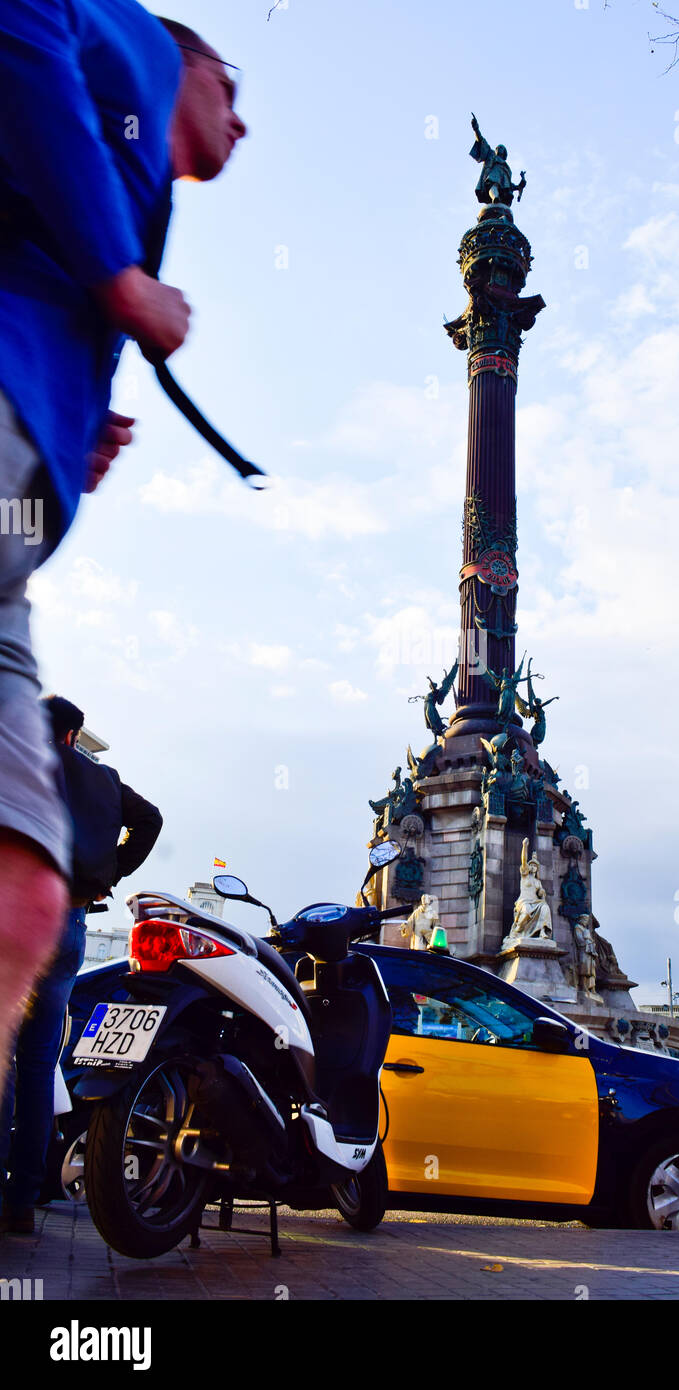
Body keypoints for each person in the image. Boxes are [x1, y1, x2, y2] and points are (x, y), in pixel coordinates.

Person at [0, 4, 247, 1088]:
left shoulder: (124, 145)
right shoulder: (140, 44)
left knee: (24, 895)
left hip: (18, 518)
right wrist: (118, 275)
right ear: (186, 62)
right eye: (229, 88)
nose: (242, 122)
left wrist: (78, 423)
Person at [0, 695, 162, 1233]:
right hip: (68, 922)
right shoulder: (105, 779)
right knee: (40, 1064)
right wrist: (111, 871)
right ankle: (22, 1200)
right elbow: (151, 819)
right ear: (73, 736)